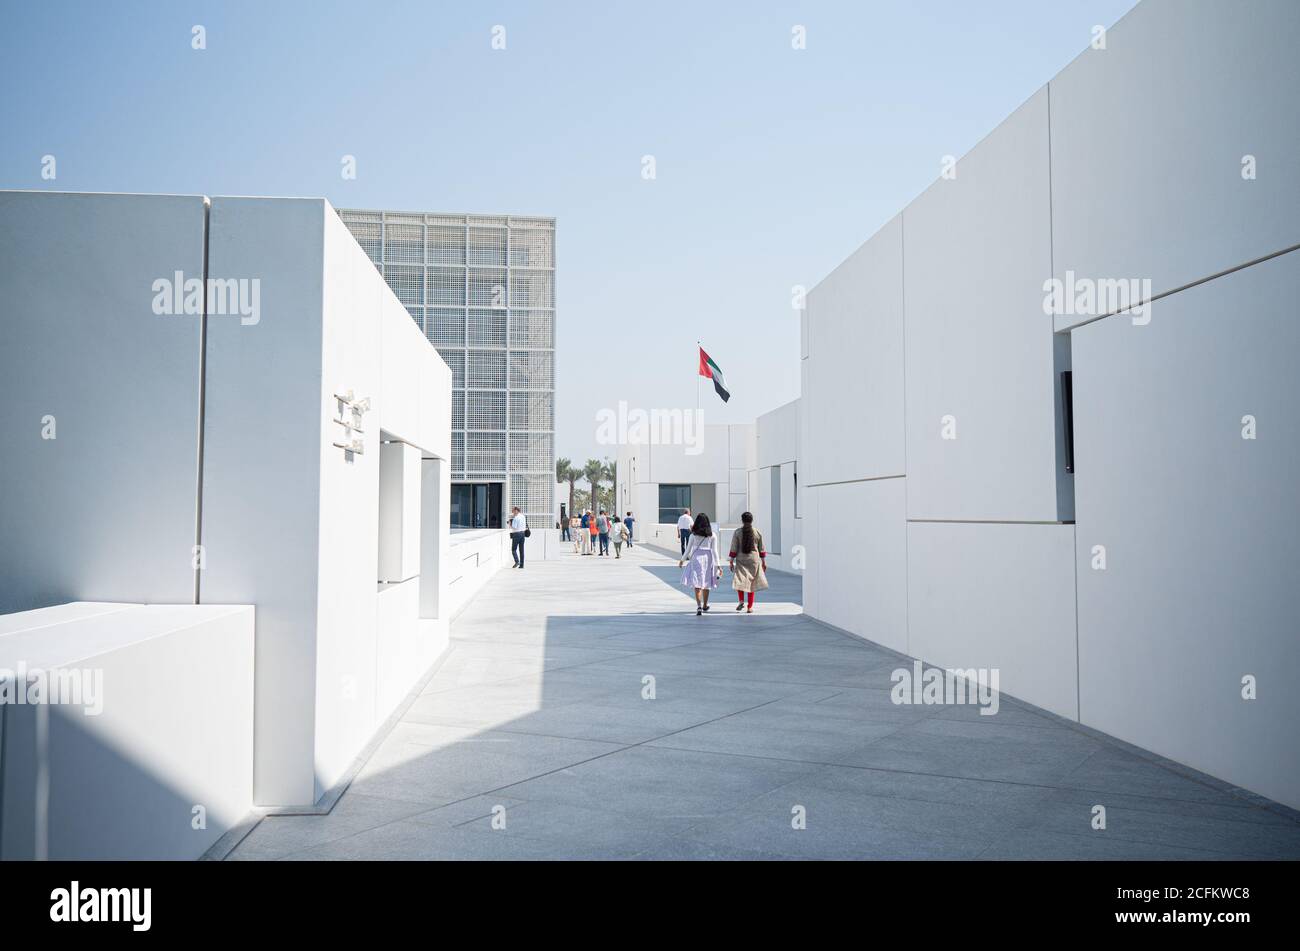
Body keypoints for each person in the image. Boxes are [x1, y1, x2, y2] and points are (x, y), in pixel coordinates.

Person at [678, 512, 721, 616]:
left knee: (697, 583)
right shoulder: (712, 535)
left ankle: (699, 606)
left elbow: (688, 549)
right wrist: (718, 565)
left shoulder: (693, 535)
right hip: (708, 559)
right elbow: (715, 551)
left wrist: (682, 560)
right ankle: (705, 605)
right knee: (706, 582)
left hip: (696, 558)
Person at [728, 511, 768, 613]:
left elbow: (734, 547)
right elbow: (761, 549)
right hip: (754, 560)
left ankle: (741, 601)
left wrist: (731, 561)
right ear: (752, 520)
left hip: (741, 560)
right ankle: (750, 607)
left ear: (742, 520)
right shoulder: (757, 532)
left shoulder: (737, 532)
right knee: (752, 584)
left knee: (740, 581)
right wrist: (763, 562)